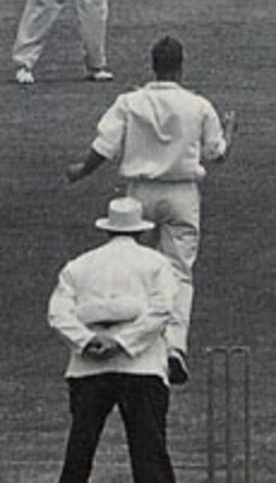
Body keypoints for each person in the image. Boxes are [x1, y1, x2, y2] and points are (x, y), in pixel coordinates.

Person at [66, 36, 234, 385]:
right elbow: (217, 154)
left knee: (131, 264)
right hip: (182, 194)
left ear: (153, 66)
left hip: (138, 194)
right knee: (178, 273)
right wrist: (229, 133)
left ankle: (133, 343)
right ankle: (173, 347)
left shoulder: (130, 102)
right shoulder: (198, 105)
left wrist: (82, 170)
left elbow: (104, 146)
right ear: (181, 66)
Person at [48, 196, 179, 482]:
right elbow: (162, 311)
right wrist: (122, 342)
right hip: (141, 365)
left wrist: (86, 340)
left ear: (107, 229)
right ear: (141, 231)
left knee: (79, 453)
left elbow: (58, 313)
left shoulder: (79, 265)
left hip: (88, 367)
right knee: (150, 455)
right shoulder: (156, 262)